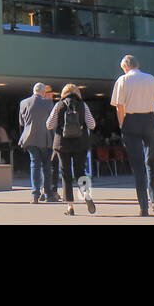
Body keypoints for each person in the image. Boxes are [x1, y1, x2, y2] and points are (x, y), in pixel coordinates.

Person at [111, 54, 154, 216]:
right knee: (151, 161)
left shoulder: (122, 80)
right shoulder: (151, 78)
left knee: (138, 165)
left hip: (131, 120)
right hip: (149, 119)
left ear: (125, 67)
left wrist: (122, 124)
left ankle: (143, 206)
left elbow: (119, 106)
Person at [46, 83, 96, 216]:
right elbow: (92, 124)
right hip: (80, 143)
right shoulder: (83, 105)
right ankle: (86, 194)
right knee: (80, 170)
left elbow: (49, 125)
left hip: (62, 144)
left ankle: (70, 207)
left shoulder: (59, 105)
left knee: (66, 173)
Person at [18, 82, 58, 203]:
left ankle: (35, 194)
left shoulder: (23, 103)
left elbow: (21, 122)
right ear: (43, 92)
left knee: (34, 164)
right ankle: (48, 194)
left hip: (29, 138)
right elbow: (52, 122)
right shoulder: (48, 103)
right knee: (46, 166)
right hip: (45, 138)